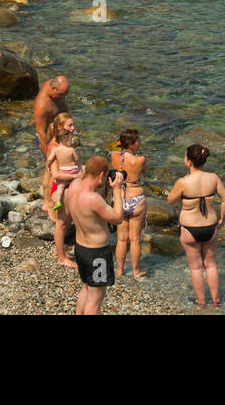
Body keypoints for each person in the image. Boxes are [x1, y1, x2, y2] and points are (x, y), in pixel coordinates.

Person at [167, 143, 225, 308]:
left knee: (196, 268)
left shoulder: (182, 182)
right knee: (211, 264)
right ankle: (216, 301)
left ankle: (201, 302)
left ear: (188, 161)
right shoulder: (213, 178)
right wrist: (221, 218)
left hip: (190, 229)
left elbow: (170, 201)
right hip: (211, 227)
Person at [64, 156, 124, 315]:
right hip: (97, 254)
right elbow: (118, 218)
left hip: (81, 248)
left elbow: (93, 209)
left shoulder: (75, 185)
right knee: (96, 297)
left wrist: (106, 188)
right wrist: (117, 190)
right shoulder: (93, 199)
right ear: (102, 175)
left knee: (87, 287)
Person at [42, 113, 78, 268]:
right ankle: (61, 257)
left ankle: (59, 250)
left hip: (65, 187)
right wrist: (50, 202)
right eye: (69, 125)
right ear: (59, 128)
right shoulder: (55, 147)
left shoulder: (62, 145)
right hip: (59, 189)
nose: (73, 128)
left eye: (72, 125)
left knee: (66, 220)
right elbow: (52, 176)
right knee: (62, 223)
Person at [110, 129, 148, 279]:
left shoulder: (113, 156)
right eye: (137, 140)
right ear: (131, 144)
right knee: (135, 238)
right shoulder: (140, 160)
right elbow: (142, 171)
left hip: (120, 199)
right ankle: (136, 271)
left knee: (121, 238)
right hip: (136, 198)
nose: (139, 143)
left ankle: (119, 270)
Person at [32, 75, 71, 150]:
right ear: (53, 89)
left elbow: (65, 107)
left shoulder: (53, 84)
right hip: (45, 134)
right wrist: (48, 155)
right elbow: (40, 133)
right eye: (61, 95)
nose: (63, 98)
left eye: (65, 95)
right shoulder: (41, 106)